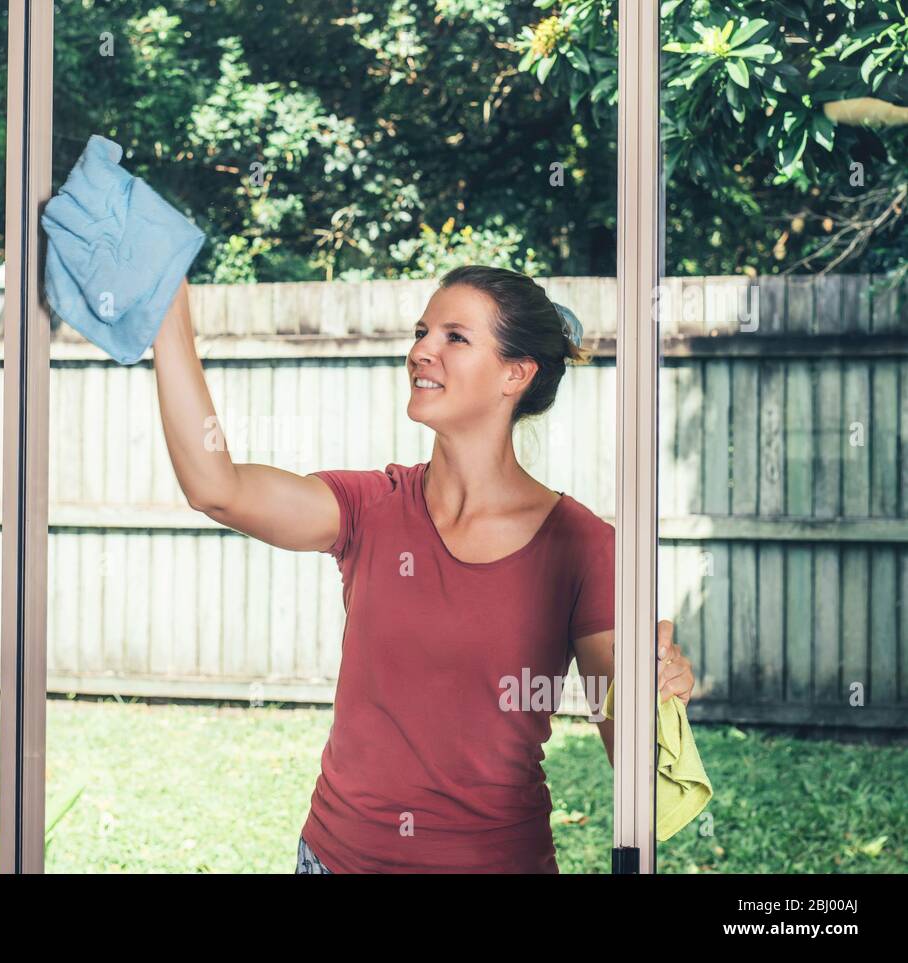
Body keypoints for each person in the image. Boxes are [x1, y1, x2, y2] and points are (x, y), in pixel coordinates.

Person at [151, 264, 696, 874]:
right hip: (334, 859)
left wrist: (654, 686)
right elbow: (217, 489)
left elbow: (632, 757)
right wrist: (166, 304)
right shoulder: (369, 508)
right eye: (421, 332)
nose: (419, 351)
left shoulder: (584, 546)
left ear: (515, 374)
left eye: (453, 338)